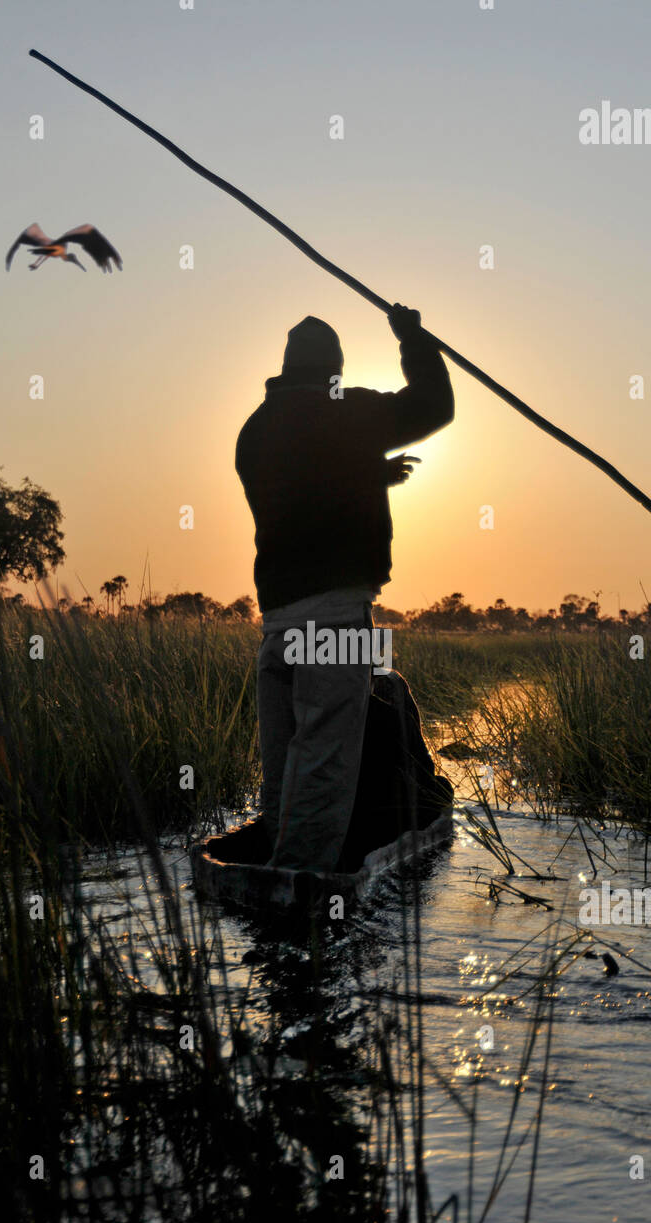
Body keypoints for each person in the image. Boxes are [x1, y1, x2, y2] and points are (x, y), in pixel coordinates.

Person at [235, 304, 454, 872]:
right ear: (335, 371)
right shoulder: (349, 411)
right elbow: (435, 405)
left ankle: (269, 879)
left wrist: (372, 473)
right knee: (325, 764)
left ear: (284, 367)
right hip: (335, 618)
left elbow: (304, 488)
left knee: (284, 765)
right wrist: (412, 337)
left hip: (277, 625)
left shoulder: (255, 431)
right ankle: (299, 893)